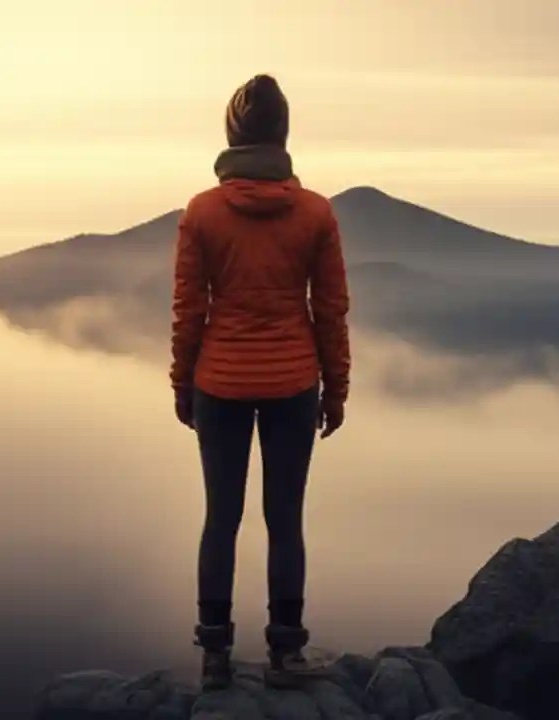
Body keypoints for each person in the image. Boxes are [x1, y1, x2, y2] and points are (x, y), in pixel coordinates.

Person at [170, 74, 351, 691]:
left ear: (232, 133)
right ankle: (285, 651)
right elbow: (330, 309)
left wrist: (183, 384)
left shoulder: (201, 212)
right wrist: (338, 388)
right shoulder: (315, 212)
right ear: (283, 133)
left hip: (219, 381)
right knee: (285, 519)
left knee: (220, 518)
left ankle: (215, 656)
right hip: (293, 383)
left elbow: (189, 309)